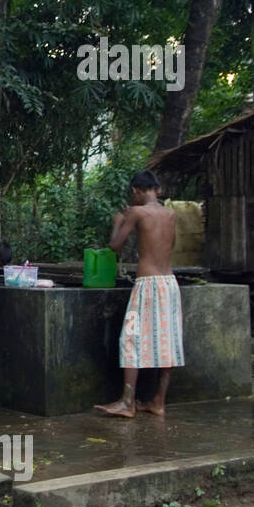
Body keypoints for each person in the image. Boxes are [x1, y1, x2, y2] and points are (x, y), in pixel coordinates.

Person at [94, 170, 182, 418]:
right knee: (168, 341)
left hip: (148, 285)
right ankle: (158, 402)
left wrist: (117, 222)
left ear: (136, 191)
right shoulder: (171, 214)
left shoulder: (137, 212)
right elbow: (168, 245)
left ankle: (127, 402)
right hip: (169, 283)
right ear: (158, 189)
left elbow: (114, 247)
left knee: (130, 338)